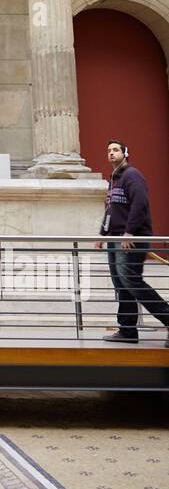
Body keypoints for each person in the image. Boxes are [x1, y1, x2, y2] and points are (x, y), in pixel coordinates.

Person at [97, 140, 169, 346]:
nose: (111, 153)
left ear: (125, 153)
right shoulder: (114, 179)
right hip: (116, 238)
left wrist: (129, 232)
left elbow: (140, 203)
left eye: (115, 150)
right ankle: (127, 330)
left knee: (131, 281)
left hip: (130, 239)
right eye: (109, 150)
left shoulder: (132, 175)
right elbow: (111, 209)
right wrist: (103, 234)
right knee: (121, 285)